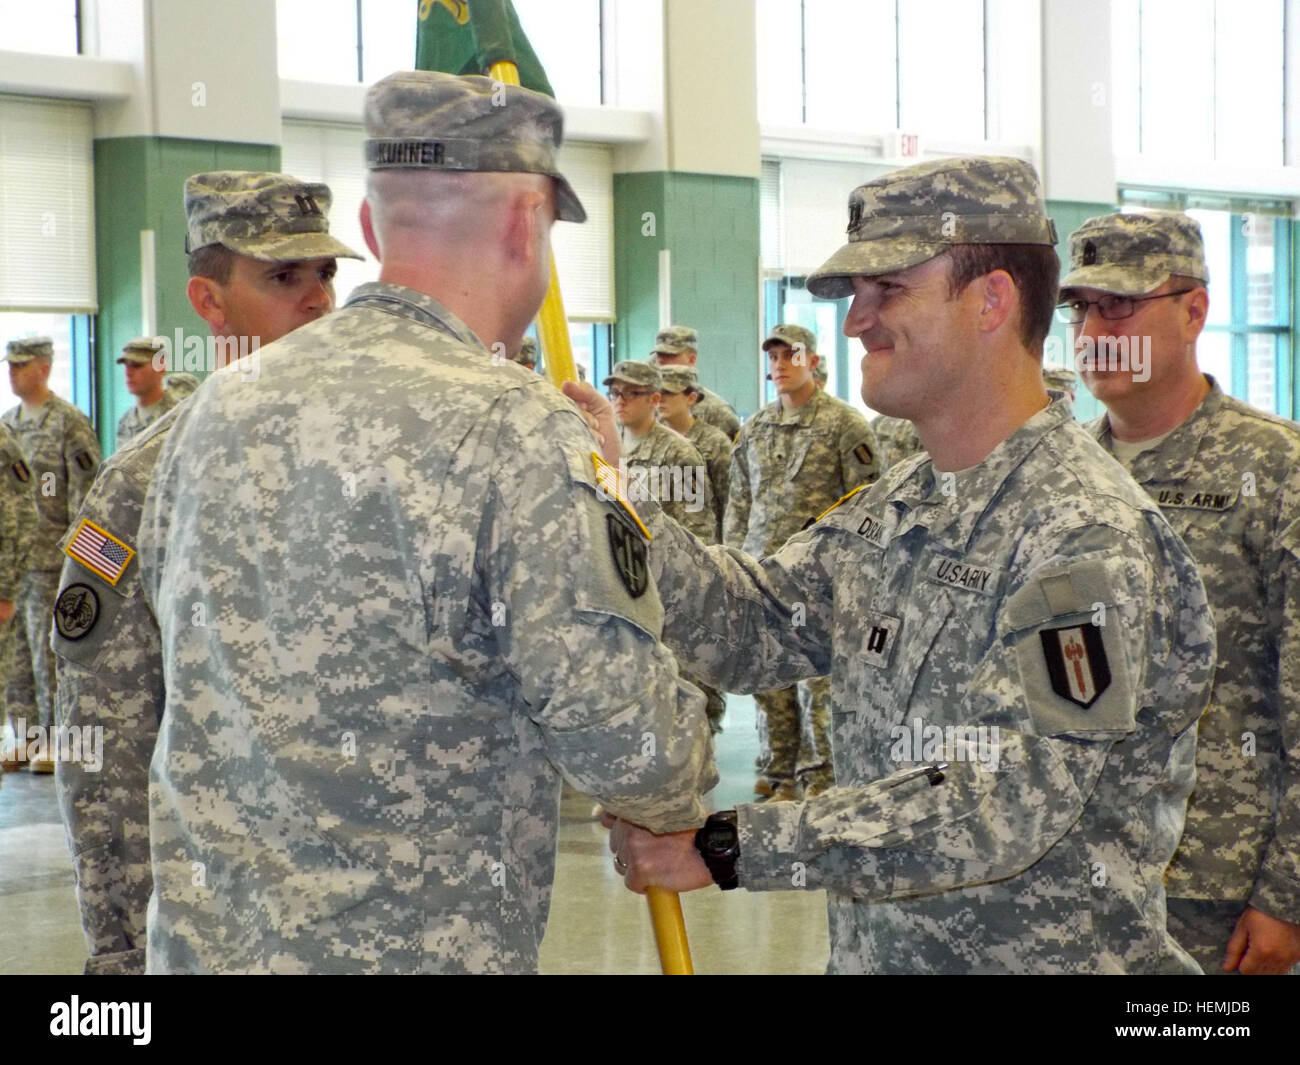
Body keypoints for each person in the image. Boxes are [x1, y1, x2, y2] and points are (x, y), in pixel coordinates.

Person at [136, 70, 715, 974]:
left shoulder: (217, 406)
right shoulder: (518, 424)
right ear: (528, 223)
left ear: (369, 229)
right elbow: (634, 750)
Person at [595, 156, 1217, 974]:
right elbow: (750, 621)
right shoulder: (900, 506)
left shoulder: (1081, 529)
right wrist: (605, 504)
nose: (857, 321)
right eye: (858, 295)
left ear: (992, 299)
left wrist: (726, 846)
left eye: (888, 289)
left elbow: (1004, 798)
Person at [50, 169, 362, 975]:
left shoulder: (393, 460)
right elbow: (104, 739)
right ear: (210, 302)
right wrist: (121, 950)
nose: (318, 301)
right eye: (283, 278)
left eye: (326, 273)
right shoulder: (145, 483)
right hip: (233, 929)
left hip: (395, 922)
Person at [1062, 209, 1300, 975]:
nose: (1097, 328)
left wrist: (1289, 891)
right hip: (1067, 881)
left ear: (1195, 309)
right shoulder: (1059, 478)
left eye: (1122, 304)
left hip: (1214, 892)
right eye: (1083, 307)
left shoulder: (1275, 469)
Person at [727, 323, 878, 801]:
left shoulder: (844, 425)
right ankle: (780, 773)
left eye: (790, 356)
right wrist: (731, 562)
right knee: (769, 680)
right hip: (762, 573)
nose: (780, 366)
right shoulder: (754, 428)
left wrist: (859, 573)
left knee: (819, 684)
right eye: (773, 358)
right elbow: (739, 502)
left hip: (822, 579)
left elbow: (869, 502)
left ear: (812, 361)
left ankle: (820, 776)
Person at [2, 336, 100, 774]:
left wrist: (82, 569)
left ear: (43, 367)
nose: (12, 372)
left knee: (50, 655)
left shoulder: (69, 424)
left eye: (21, 365)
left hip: (52, 563)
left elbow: (87, 499)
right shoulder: (8, 425)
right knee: (17, 656)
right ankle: (26, 737)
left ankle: (58, 738)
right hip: (13, 563)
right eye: (10, 365)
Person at [604, 360, 715, 543]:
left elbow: (698, 529)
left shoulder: (680, 452)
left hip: (663, 562)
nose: (620, 401)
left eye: (632, 394)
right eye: (615, 393)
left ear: (654, 400)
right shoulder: (605, 448)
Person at [0, 423, 38, 773]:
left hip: (47, 567)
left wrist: (5, 587)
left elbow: (17, 514)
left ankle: (49, 741)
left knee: (44, 660)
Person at [658, 365, 732, 542]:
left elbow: (729, 501)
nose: (660, 399)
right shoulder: (652, 440)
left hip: (703, 541)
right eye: (657, 392)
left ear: (691, 397)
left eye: (668, 393)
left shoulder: (715, 442)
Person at [649, 326, 741, 440]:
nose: (661, 361)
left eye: (670, 356)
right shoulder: (649, 404)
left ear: (692, 359)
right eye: (659, 356)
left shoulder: (717, 411)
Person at [115, 337, 180, 449]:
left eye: (136, 365)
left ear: (160, 367)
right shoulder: (125, 422)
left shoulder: (179, 415)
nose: (128, 372)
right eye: (126, 365)